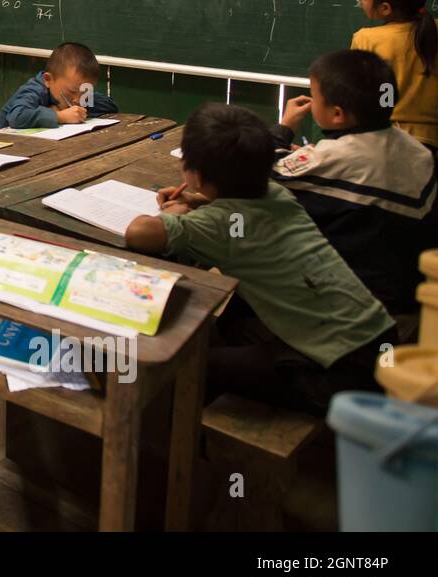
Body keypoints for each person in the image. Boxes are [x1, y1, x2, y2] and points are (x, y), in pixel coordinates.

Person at [125, 103, 396, 415]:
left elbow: (138, 233)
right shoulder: (277, 193)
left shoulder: (216, 225)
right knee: (232, 320)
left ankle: (190, 444)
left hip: (337, 373)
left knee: (191, 362)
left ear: (194, 174)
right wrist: (199, 198)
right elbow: (241, 213)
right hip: (377, 338)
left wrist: (178, 211)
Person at [272, 49, 436, 320]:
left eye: (314, 97)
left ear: (337, 114)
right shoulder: (416, 149)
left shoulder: (334, 157)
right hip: (408, 289)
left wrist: (285, 127)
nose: (311, 103)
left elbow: (265, 169)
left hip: (362, 303)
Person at [350, 0, 437, 149]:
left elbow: (363, 93)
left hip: (389, 139)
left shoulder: (367, 39)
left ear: (385, 8)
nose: (360, 2)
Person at [0, 41, 118, 130]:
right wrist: (59, 116)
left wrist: (81, 107)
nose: (77, 100)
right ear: (48, 79)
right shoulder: (35, 90)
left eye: (86, 92)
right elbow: (17, 116)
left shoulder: (79, 97)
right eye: (72, 91)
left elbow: (110, 106)